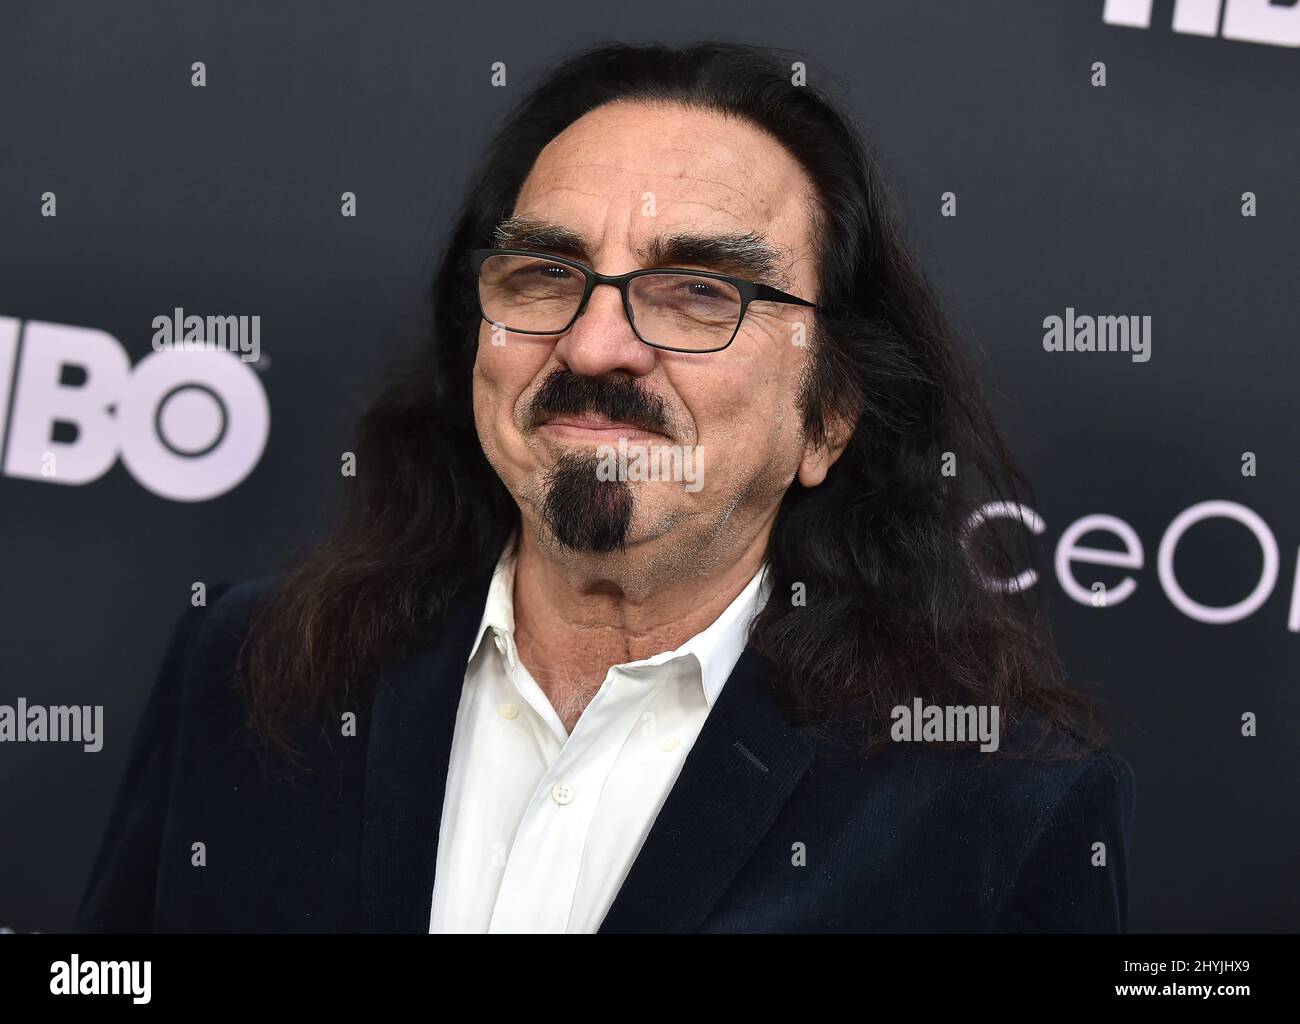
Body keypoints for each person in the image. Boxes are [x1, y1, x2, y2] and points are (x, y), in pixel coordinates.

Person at [77, 40, 1134, 934]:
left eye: (695, 293)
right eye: (543, 275)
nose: (594, 343)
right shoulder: (250, 668)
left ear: (827, 417)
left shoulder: (996, 808)